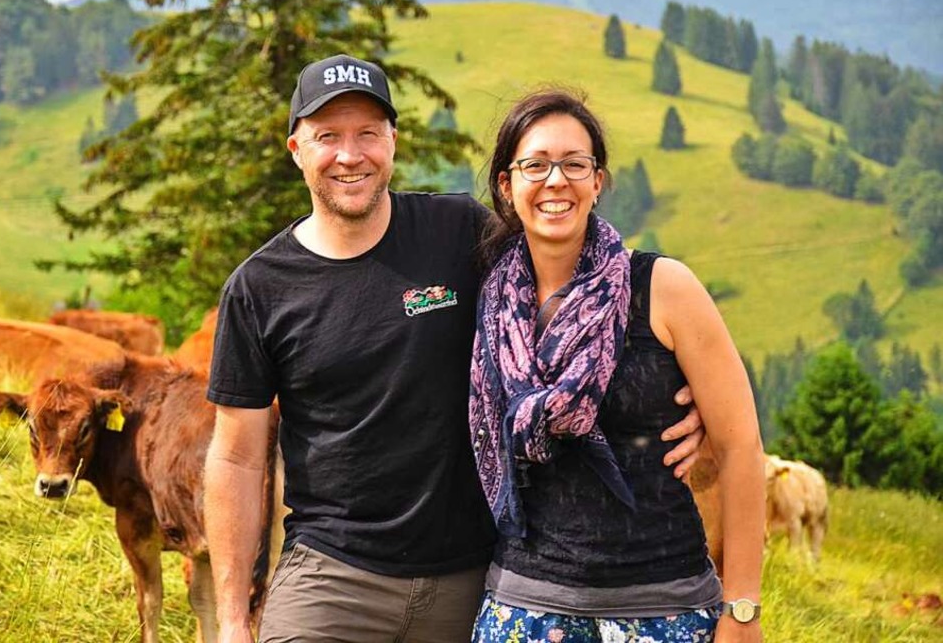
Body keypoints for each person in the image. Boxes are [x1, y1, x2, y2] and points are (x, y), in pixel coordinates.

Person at [202, 55, 706, 643]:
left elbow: (573, 286)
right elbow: (236, 458)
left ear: (393, 140)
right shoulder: (259, 287)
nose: (349, 154)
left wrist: (673, 391)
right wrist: (234, 622)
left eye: (368, 133)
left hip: (476, 578)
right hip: (333, 580)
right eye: (327, 137)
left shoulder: (460, 231)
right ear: (296, 148)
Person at [469, 89, 765, 643]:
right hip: (522, 610)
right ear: (507, 186)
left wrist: (743, 607)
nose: (556, 181)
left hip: (665, 611)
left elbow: (742, 447)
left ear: (597, 181)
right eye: (535, 165)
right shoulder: (487, 300)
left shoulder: (662, 288)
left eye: (574, 164)